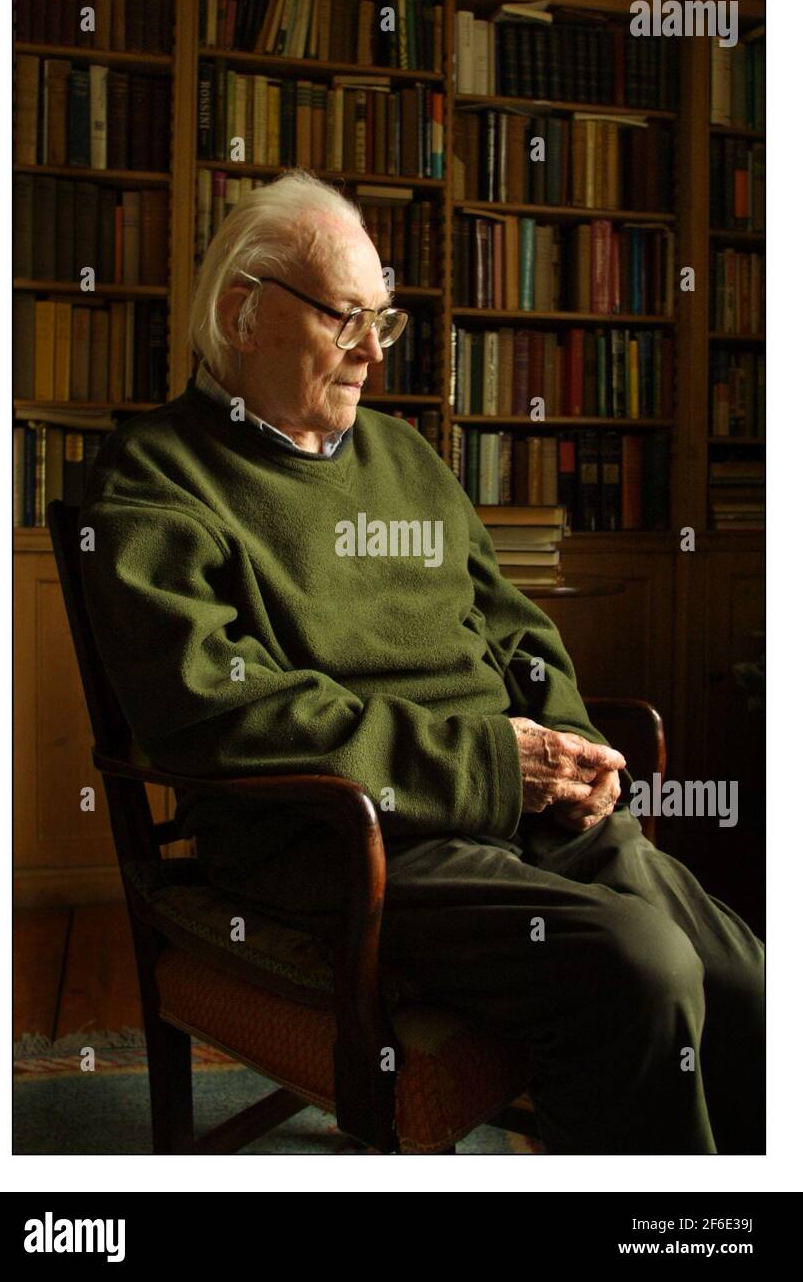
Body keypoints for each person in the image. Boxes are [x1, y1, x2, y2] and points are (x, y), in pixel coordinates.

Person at [80, 169, 764, 1155]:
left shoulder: (405, 458)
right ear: (242, 311)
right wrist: (498, 764)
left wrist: (564, 744)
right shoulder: (151, 479)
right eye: (344, 318)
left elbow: (516, 632)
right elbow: (222, 714)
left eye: (381, 322)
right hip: (342, 838)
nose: (371, 351)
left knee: (745, 978)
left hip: (515, 799)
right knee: (642, 968)